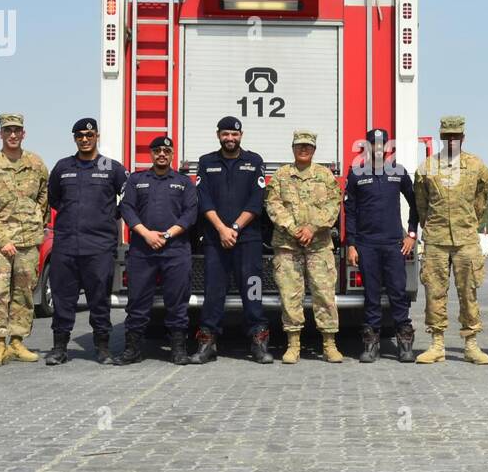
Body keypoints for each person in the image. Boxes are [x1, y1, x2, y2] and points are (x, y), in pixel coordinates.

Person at [45, 118, 127, 366]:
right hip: (66, 246)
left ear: (96, 136)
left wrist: (109, 215)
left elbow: (129, 195)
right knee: (63, 299)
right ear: (74, 138)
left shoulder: (112, 167)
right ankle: (60, 348)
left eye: (89, 135)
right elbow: (54, 198)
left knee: (99, 299)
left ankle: (102, 348)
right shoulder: (62, 167)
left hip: (99, 246)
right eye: (79, 135)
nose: (84, 139)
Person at [413, 116, 488, 365]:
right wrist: (433, 225)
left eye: (455, 136)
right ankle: (437, 345)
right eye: (447, 136)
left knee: (469, 292)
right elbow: (421, 205)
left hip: (466, 239)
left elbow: (481, 201)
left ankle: (471, 345)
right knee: (434, 292)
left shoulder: (477, 166)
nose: (451, 140)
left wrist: (468, 221)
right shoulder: (426, 168)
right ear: (441, 137)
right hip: (436, 239)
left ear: (463, 137)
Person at [0, 113, 50, 368]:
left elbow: (43, 200)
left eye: (17, 130)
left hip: (28, 243)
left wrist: (34, 227)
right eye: (8, 131)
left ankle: (17, 342)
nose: (13, 135)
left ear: (23, 133)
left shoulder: (36, 164)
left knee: (24, 293)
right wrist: (3, 238)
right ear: (1, 135)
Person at [194, 116, 270, 363]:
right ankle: (208, 343)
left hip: (248, 239)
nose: (230, 138)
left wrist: (235, 227)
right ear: (218, 135)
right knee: (213, 291)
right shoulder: (206, 162)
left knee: (253, 289)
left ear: (241, 136)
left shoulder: (254, 161)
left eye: (234, 134)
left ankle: (259, 342)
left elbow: (257, 200)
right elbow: (203, 199)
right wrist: (221, 229)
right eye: (225, 134)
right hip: (216, 240)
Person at [117, 136, 198, 365]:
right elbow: (127, 208)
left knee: (177, 301)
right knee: (138, 301)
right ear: (150, 154)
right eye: (157, 150)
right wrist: (146, 234)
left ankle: (178, 350)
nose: (161, 154)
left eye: (166, 150)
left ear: (172, 154)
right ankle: (133, 349)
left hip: (176, 250)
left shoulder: (184, 182)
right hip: (143, 250)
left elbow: (190, 213)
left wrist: (167, 234)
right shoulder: (136, 180)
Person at [267, 130, 344, 364]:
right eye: (299, 146)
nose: (303, 149)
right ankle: (293, 345)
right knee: (290, 295)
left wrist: (312, 227)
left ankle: (329, 344)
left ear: (314, 150)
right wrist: (293, 228)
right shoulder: (281, 175)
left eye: (308, 146)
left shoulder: (325, 176)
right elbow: (273, 205)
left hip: (318, 245)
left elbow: (334, 205)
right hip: (288, 246)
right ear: (293, 148)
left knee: (325, 294)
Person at [344, 128, 418, 363]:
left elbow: (416, 203)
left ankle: (404, 342)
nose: (376, 148)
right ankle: (370, 342)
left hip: (394, 244)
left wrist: (412, 235)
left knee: (398, 293)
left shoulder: (398, 172)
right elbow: (350, 212)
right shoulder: (356, 173)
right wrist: (352, 245)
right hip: (366, 245)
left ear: (387, 147)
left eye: (380, 144)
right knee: (372, 296)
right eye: (372, 144)